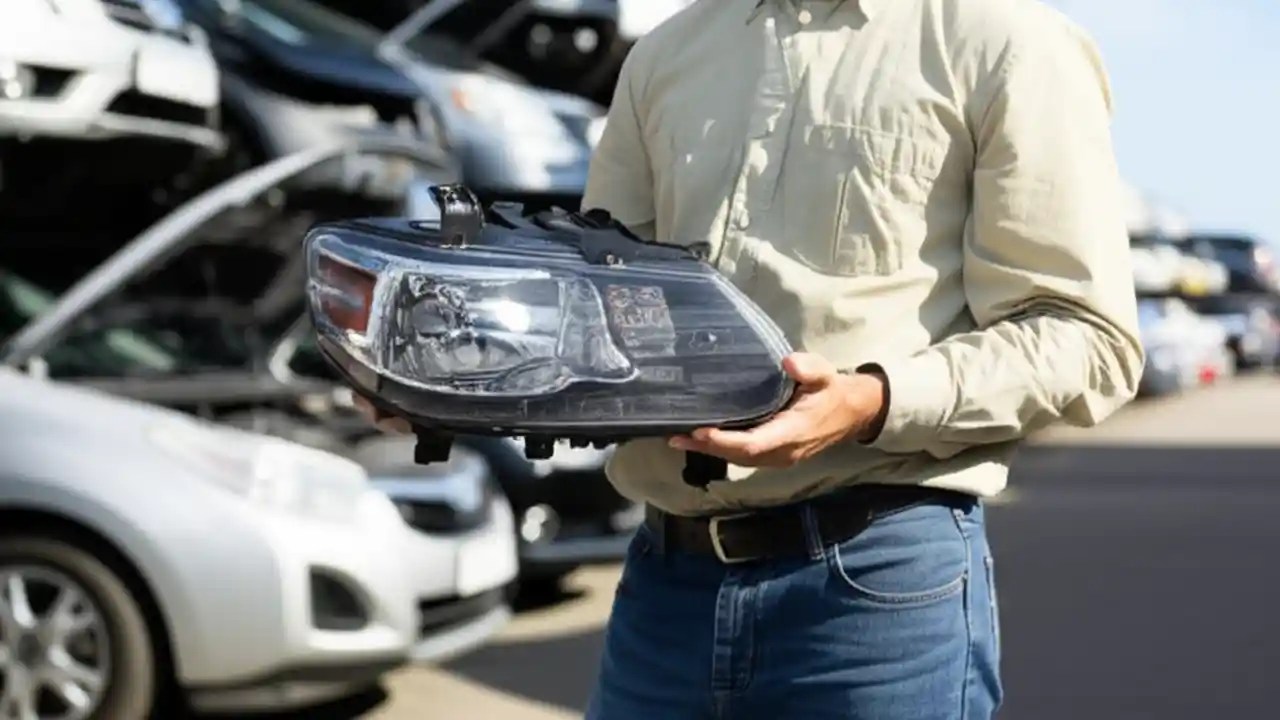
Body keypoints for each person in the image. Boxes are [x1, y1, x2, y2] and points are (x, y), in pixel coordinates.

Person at [356, 0, 1144, 717]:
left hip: (876, 592)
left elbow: (1087, 337)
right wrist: (455, 386)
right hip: (664, 591)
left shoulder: (1006, 41)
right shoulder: (666, 54)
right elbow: (594, 312)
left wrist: (871, 401)